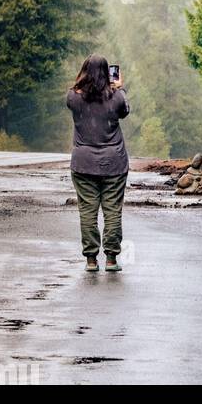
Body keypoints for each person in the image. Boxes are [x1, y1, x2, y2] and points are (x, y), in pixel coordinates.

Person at [66, 55, 130, 273]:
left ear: (84, 71)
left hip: (83, 163)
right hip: (114, 163)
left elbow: (76, 91)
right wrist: (119, 88)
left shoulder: (73, 98)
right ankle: (111, 259)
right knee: (112, 211)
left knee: (87, 211)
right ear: (106, 73)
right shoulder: (116, 97)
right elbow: (124, 111)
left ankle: (91, 260)